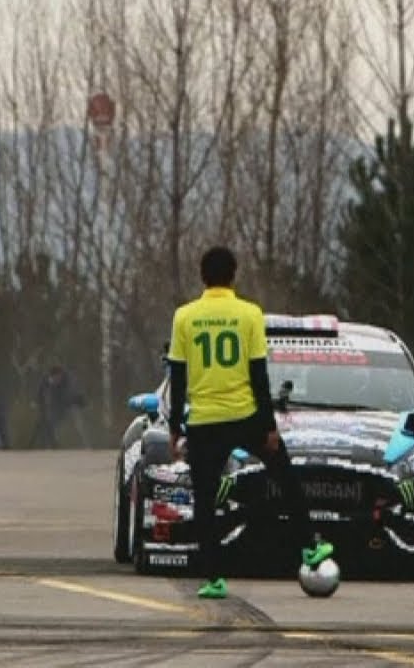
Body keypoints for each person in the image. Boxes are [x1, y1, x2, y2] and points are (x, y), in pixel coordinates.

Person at [165, 246, 334, 599]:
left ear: (202, 276)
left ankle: (213, 578)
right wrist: (269, 425)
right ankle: (309, 544)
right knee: (286, 477)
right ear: (233, 275)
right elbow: (259, 374)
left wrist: (175, 428)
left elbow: (178, 376)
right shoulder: (249, 314)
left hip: (205, 421)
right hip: (245, 416)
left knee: (205, 501)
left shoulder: (185, 317)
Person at [33, 364, 82, 449]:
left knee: (75, 424)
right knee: (48, 423)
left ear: (61, 375)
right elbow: (40, 391)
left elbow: (70, 395)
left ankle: (83, 445)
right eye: (55, 378)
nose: (56, 380)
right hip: (55, 404)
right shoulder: (46, 379)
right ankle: (51, 445)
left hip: (71, 403)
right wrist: (36, 401)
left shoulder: (68, 380)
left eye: (58, 378)